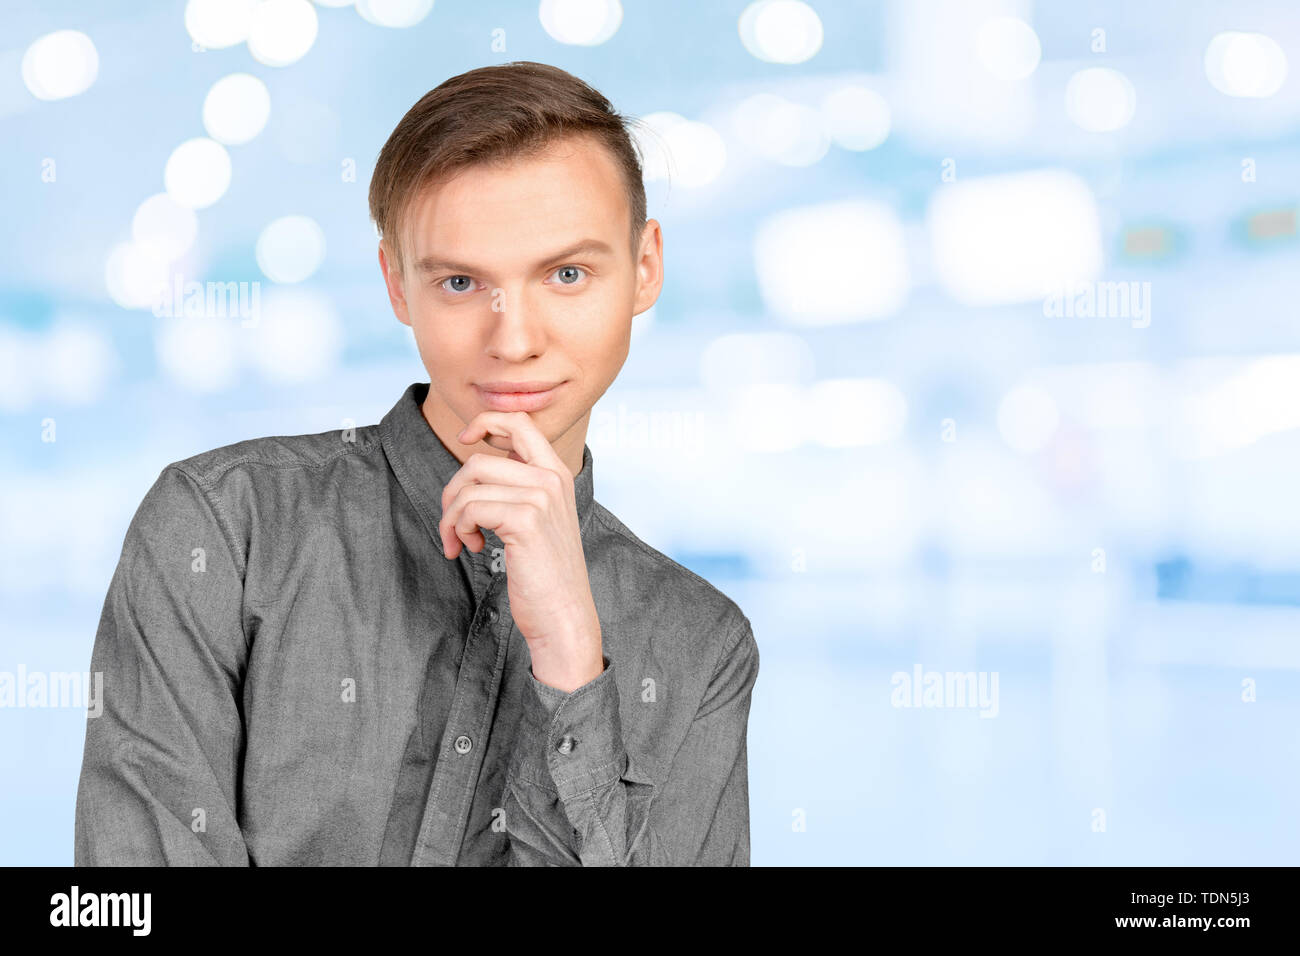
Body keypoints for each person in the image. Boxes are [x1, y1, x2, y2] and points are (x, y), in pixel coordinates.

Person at [74, 60, 759, 866]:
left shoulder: (700, 646)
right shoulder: (224, 527)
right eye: (462, 282)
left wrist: (573, 664)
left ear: (645, 267)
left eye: (567, 274)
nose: (513, 339)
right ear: (397, 284)